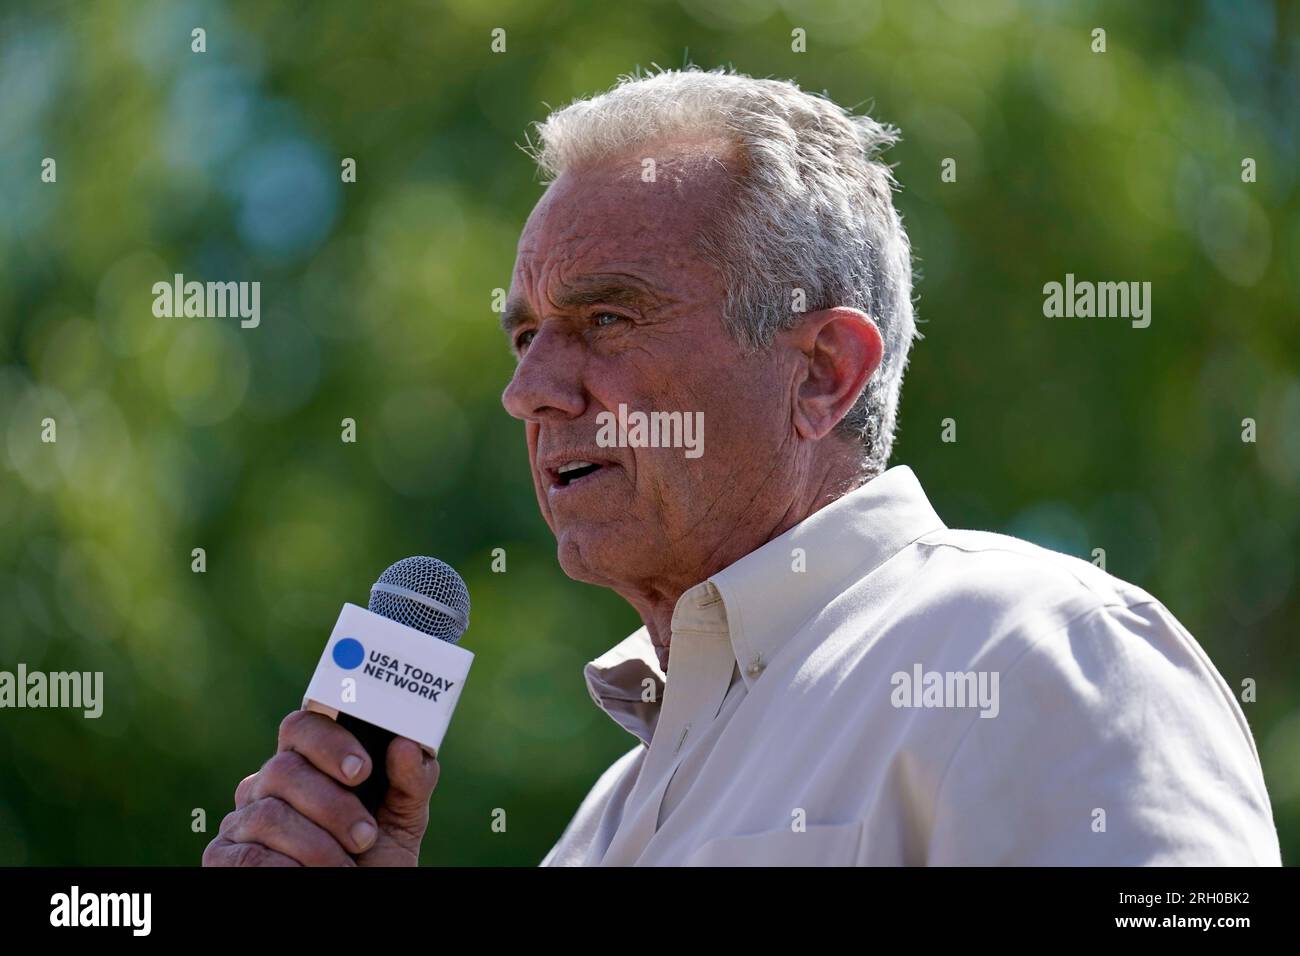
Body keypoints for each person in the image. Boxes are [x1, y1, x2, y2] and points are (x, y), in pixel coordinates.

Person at [204, 67, 1281, 867]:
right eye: (524, 335)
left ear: (822, 372)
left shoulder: (1036, 650)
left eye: (608, 317)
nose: (531, 390)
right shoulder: (599, 826)